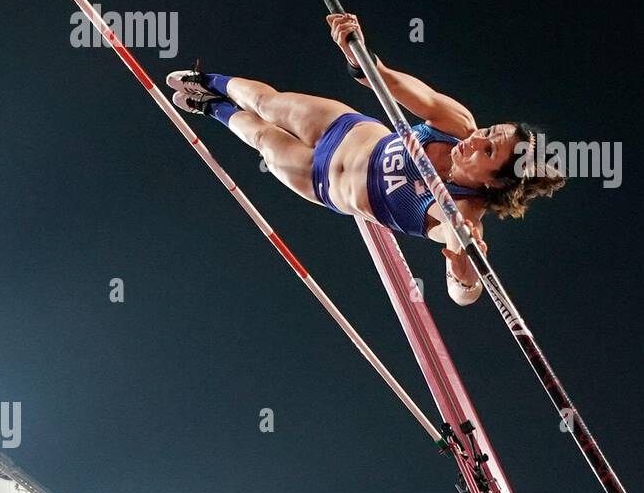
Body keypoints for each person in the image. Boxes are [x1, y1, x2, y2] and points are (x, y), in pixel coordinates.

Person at [166, 15, 564, 304]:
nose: (476, 141)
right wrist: (358, 55)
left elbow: (463, 292)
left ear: (494, 181)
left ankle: (210, 109)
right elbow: (391, 82)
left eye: (488, 152)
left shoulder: (461, 211)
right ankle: (209, 82)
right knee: (267, 102)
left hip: (321, 181)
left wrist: (462, 264)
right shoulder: (457, 123)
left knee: (262, 137)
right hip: (343, 128)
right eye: (488, 133)